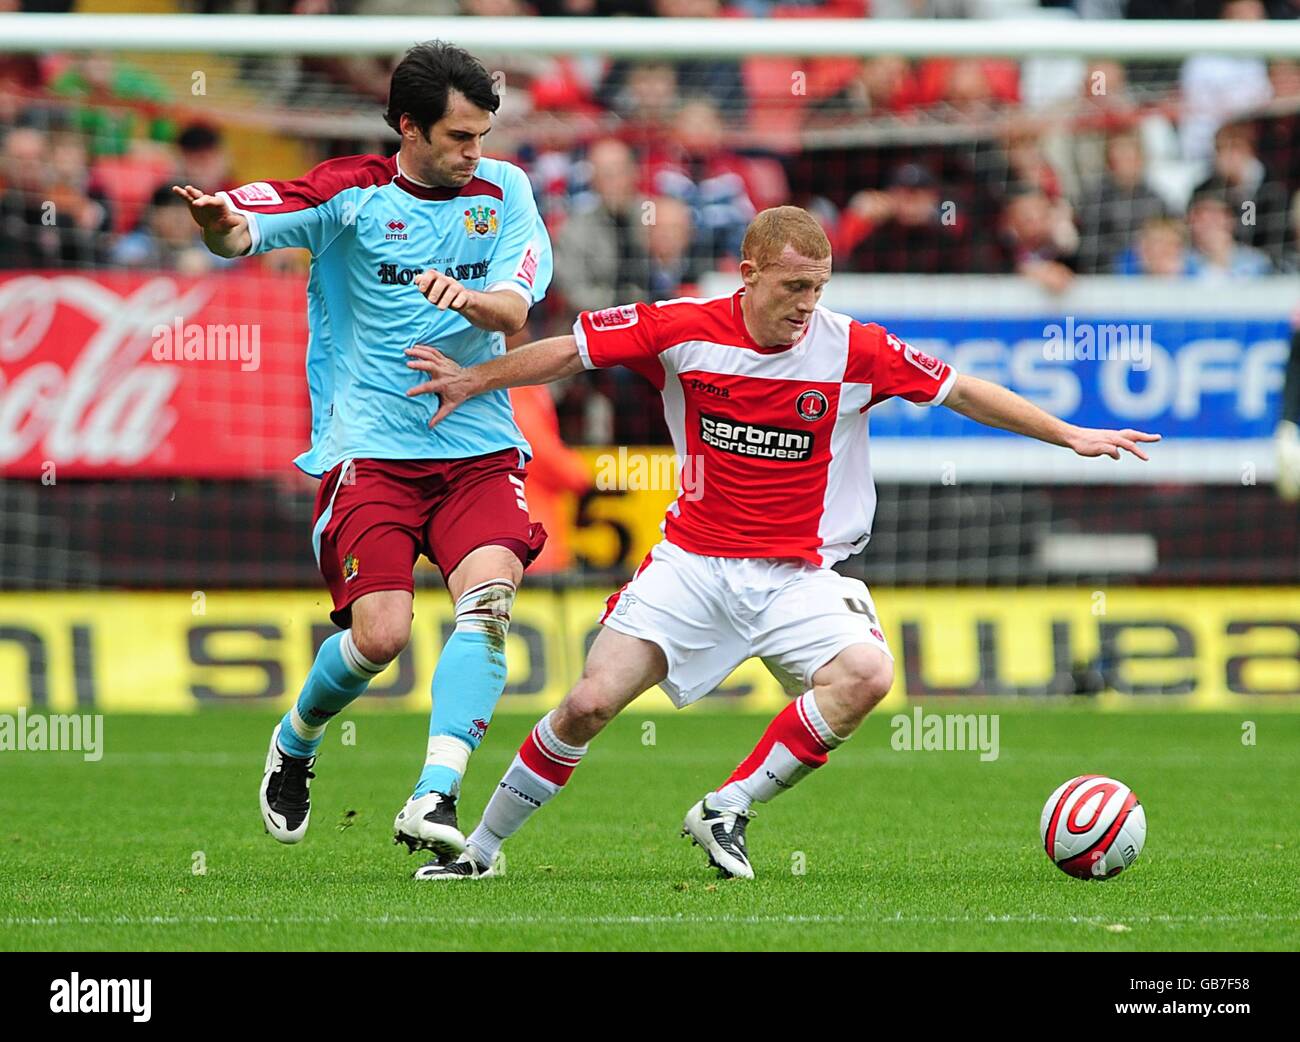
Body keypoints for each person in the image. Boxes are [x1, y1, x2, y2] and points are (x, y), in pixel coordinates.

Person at [400, 206, 1159, 881]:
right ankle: (481, 852)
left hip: (799, 574)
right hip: (692, 566)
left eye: (819, 288)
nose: (808, 305)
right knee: (588, 704)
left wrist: (1068, 433)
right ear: (748, 274)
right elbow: (570, 351)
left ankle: (727, 807)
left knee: (866, 674)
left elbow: (961, 390)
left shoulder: (854, 349)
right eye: (794, 287)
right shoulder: (684, 327)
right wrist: (475, 380)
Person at [175, 41, 554, 865]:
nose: (473, 152)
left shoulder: (507, 190)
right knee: (380, 638)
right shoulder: (351, 194)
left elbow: (516, 306)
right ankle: (297, 737)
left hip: (478, 446)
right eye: (457, 136)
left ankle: (434, 793)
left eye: (482, 134)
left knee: (488, 605)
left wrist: (474, 300)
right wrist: (221, 228)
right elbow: (249, 223)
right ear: (408, 127)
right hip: (371, 453)